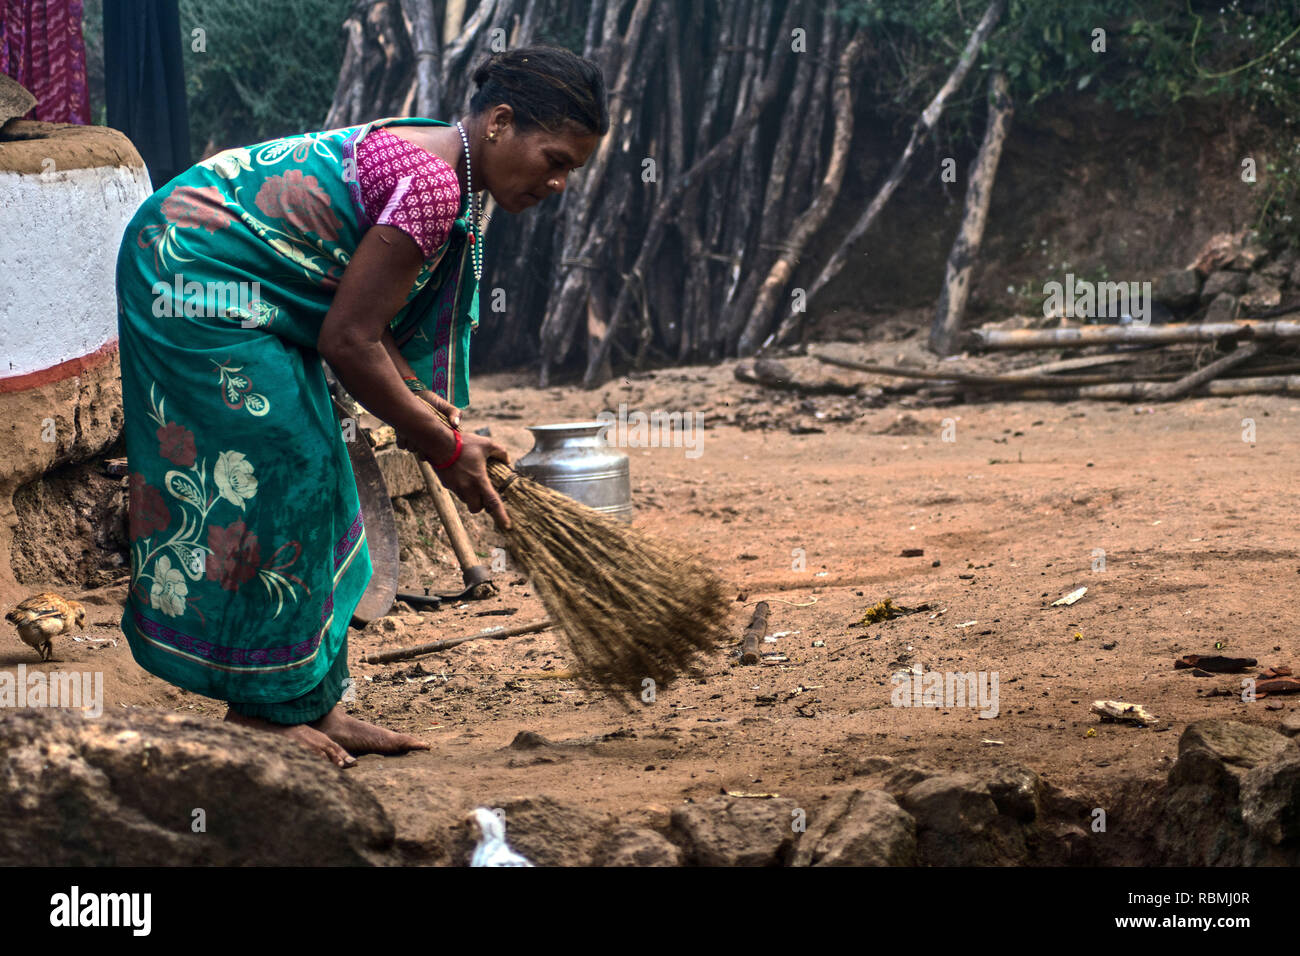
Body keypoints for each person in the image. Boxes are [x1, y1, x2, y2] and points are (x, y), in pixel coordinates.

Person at [115, 46, 607, 767]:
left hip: (245, 287)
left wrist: (433, 421)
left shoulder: (450, 169)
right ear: (501, 122)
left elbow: (359, 323)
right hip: (189, 272)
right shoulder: (435, 185)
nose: (559, 183)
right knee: (289, 470)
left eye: (572, 171)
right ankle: (262, 713)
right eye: (555, 158)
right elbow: (349, 340)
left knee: (325, 474)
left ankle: (312, 704)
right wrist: (441, 448)